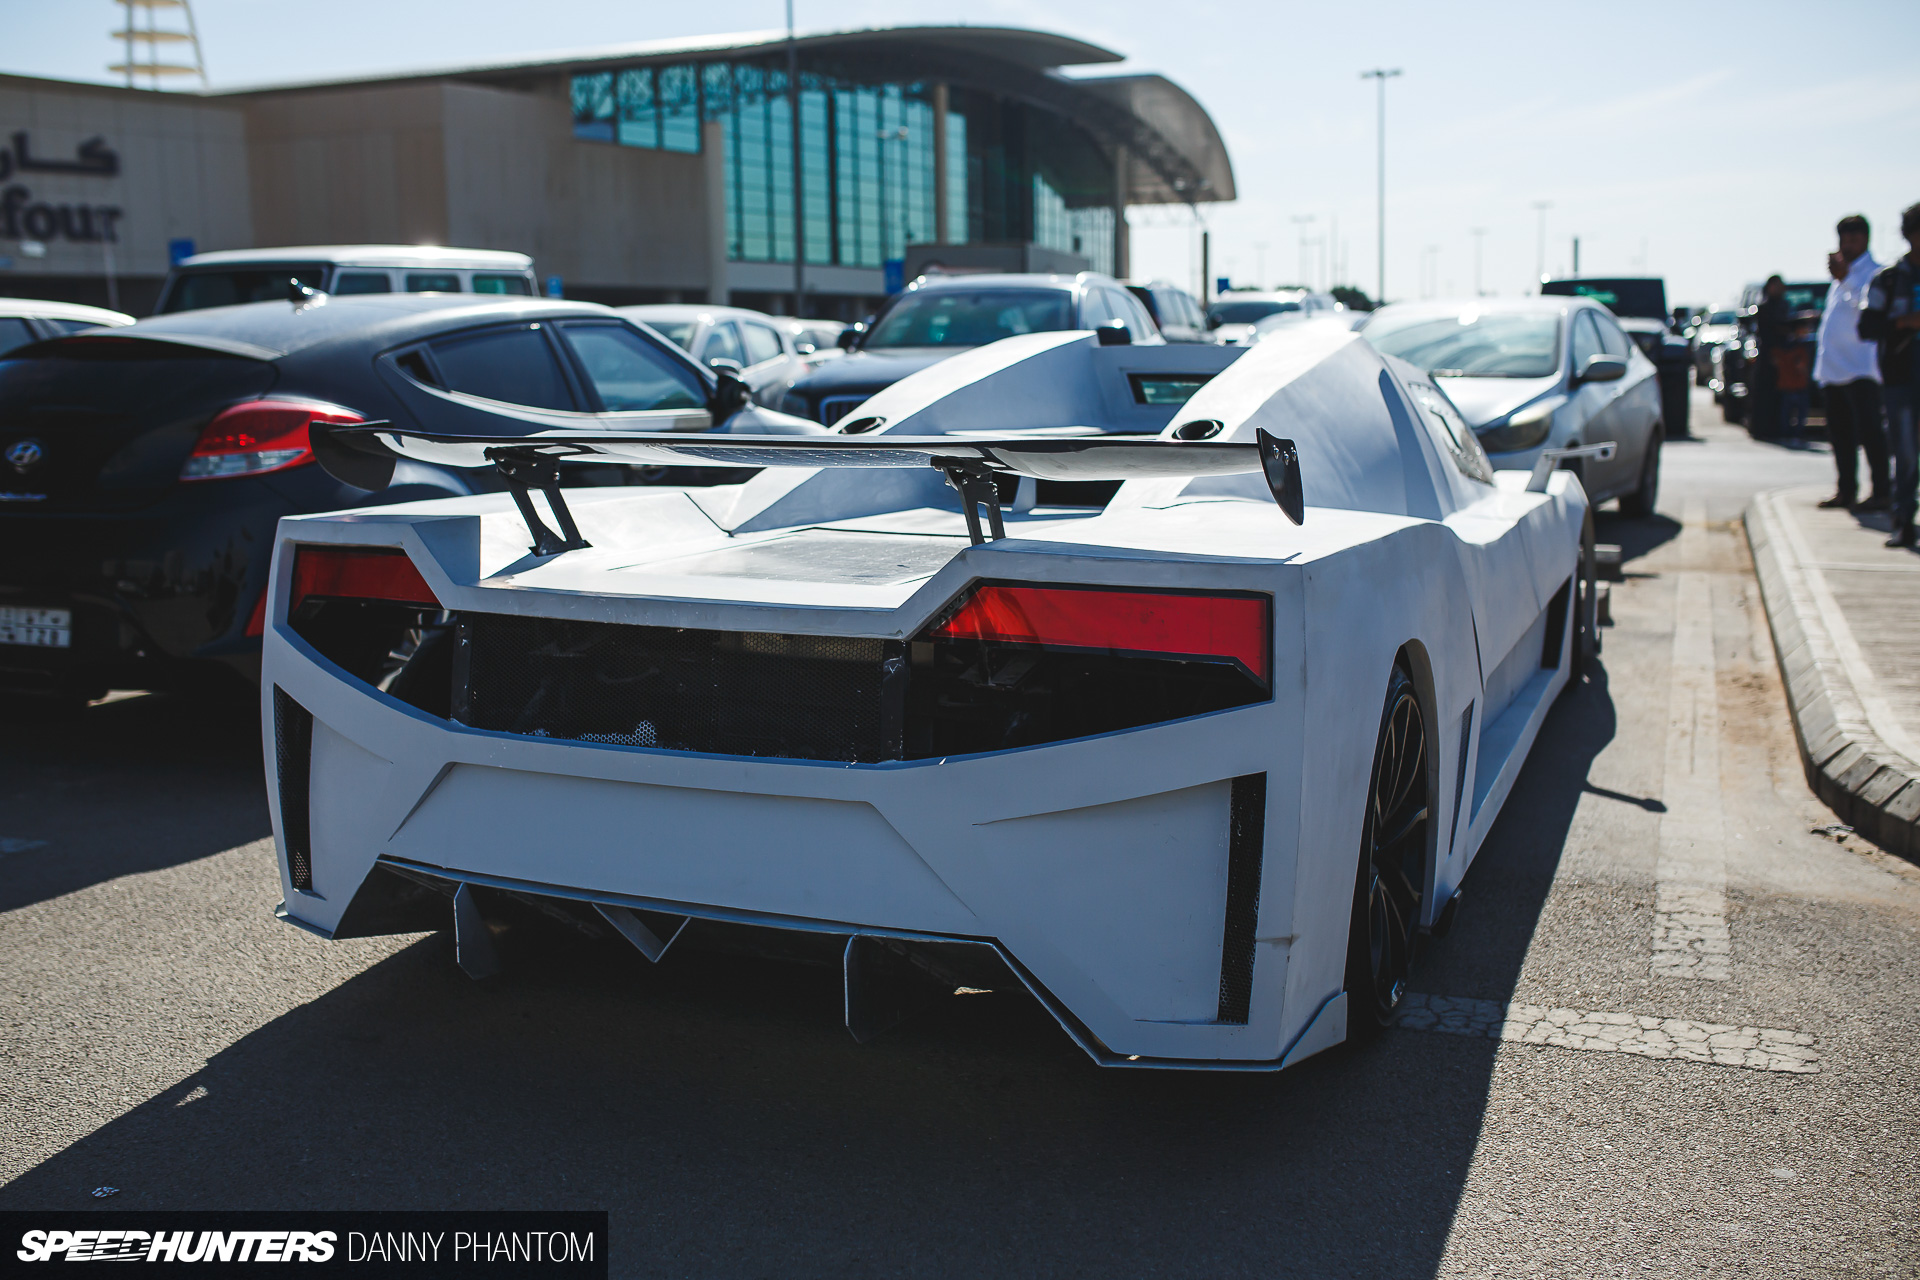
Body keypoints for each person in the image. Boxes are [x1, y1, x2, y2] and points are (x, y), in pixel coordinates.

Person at [1815, 214, 1889, 509]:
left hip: (1861, 369)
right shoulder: (1841, 275)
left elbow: (1867, 310)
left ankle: (1882, 491)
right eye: (1843, 240)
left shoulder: (1875, 273)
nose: (1847, 246)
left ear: (1866, 240)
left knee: (1871, 433)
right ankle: (1846, 489)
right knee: (1841, 436)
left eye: (1853, 240)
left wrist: (1844, 279)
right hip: (1834, 370)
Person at [1861, 202, 1920, 548]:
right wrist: (1904, 323)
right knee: (1906, 453)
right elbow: (1867, 326)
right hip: (1900, 377)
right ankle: (1903, 521)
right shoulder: (1890, 278)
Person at [1751, 276, 1789, 437]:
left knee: (1779, 395)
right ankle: (1761, 429)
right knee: (1763, 394)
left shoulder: (1785, 305)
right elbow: (1765, 332)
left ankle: (1777, 428)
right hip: (1767, 354)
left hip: (1784, 354)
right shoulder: (1764, 307)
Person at [1775, 313, 1817, 445]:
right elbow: (1801, 366)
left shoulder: (1784, 346)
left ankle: (1787, 433)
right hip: (1797, 384)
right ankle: (1795, 434)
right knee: (1798, 413)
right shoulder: (1799, 348)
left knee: (1787, 412)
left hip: (1787, 383)